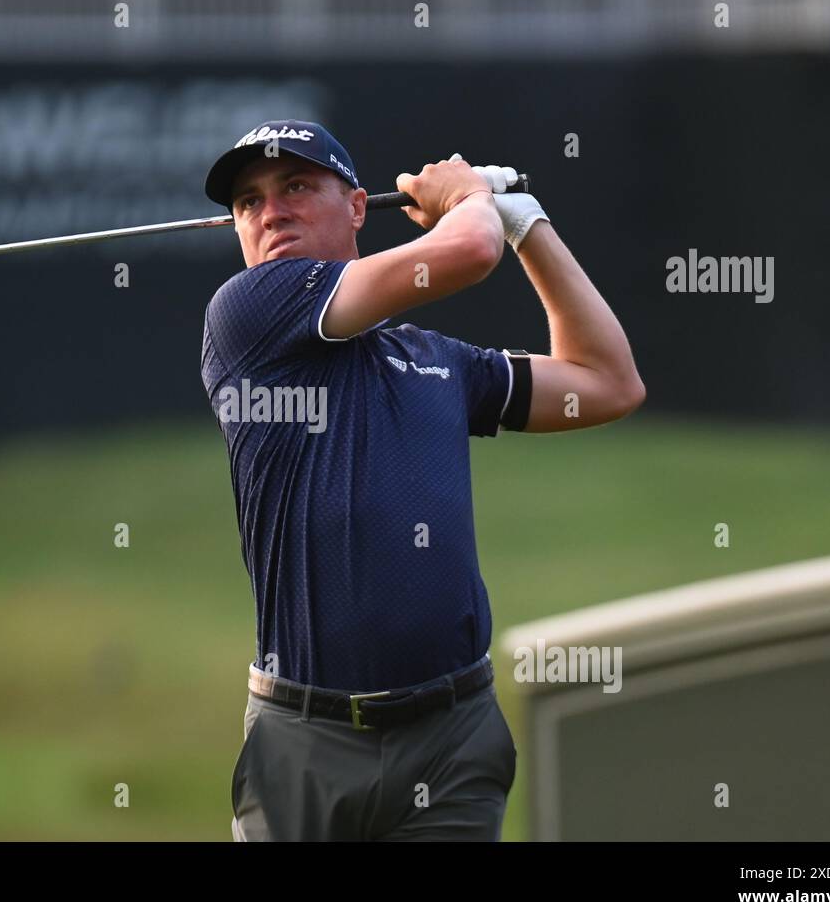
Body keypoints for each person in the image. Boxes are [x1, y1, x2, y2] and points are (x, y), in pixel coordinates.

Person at [199, 120, 645, 841]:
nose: (271, 210)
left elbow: (607, 382)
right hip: (305, 742)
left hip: (452, 738)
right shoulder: (246, 314)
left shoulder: (435, 360)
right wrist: (471, 198)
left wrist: (527, 224)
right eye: (249, 201)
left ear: (354, 208)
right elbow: (467, 250)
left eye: (297, 186)